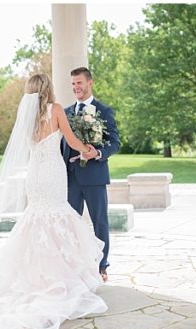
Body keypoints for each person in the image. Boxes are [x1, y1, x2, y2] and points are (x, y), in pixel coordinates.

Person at [0, 73, 108, 329]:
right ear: (48, 88)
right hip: (52, 173)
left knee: (37, 217)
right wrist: (90, 150)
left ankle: (35, 278)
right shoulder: (56, 109)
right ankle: (59, 278)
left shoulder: (26, 116)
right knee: (57, 216)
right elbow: (72, 142)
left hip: (35, 175)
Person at [61, 67, 120, 282]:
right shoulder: (66, 112)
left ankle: (101, 266)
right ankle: (74, 265)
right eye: (73, 84)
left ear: (90, 83)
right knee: (70, 225)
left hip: (95, 177)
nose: (76, 87)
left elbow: (115, 143)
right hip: (71, 178)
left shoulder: (103, 110)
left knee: (99, 222)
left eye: (79, 83)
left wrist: (98, 153)